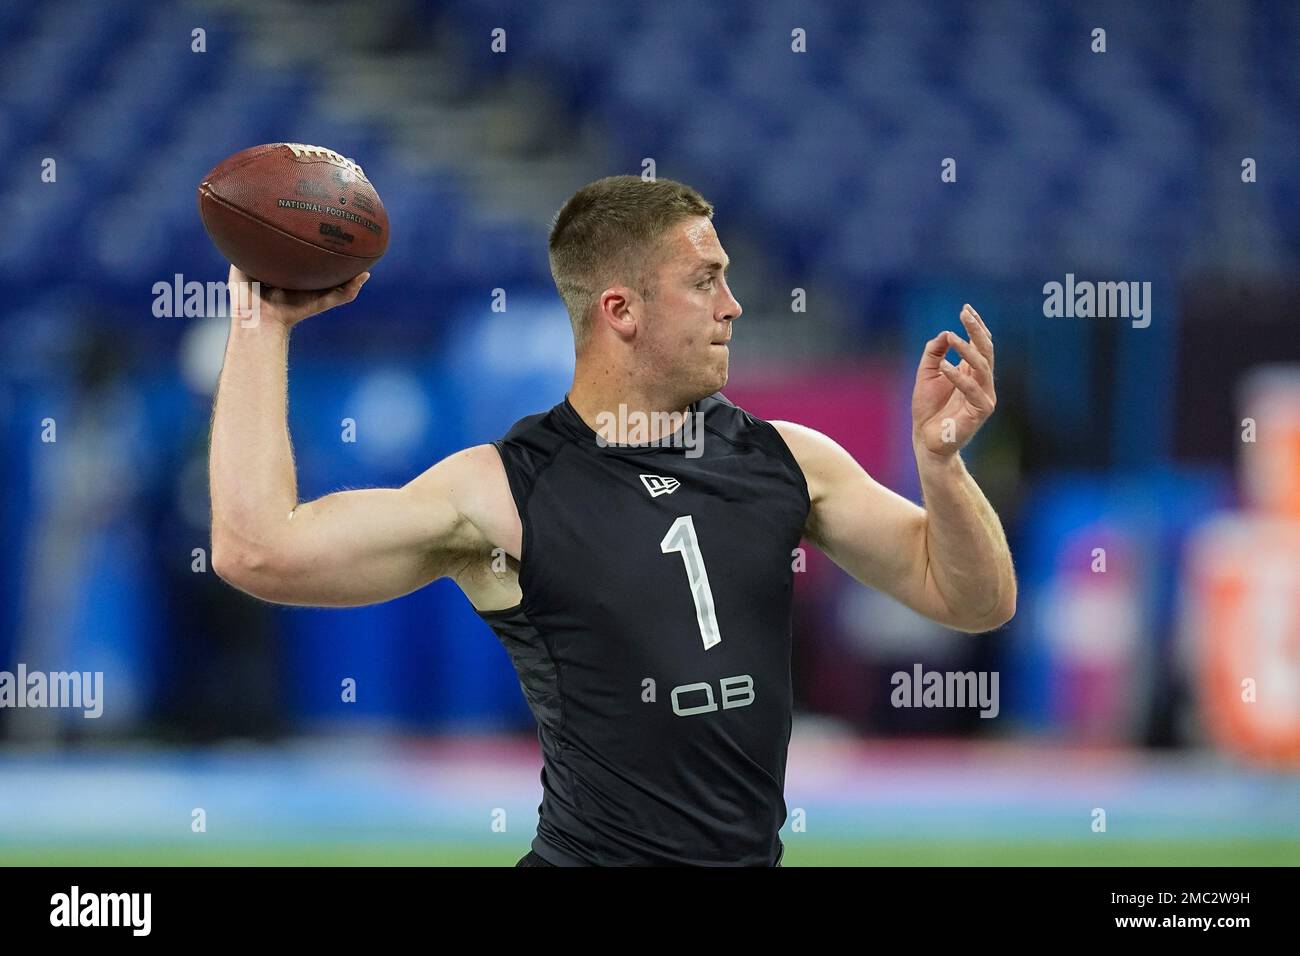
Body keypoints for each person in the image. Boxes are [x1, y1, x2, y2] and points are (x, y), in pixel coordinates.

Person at [208, 175, 1016, 866]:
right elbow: (258, 551)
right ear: (621, 309)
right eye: (705, 281)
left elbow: (974, 600)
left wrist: (941, 468)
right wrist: (261, 320)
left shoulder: (788, 459)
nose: (734, 307)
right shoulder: (501, 489)